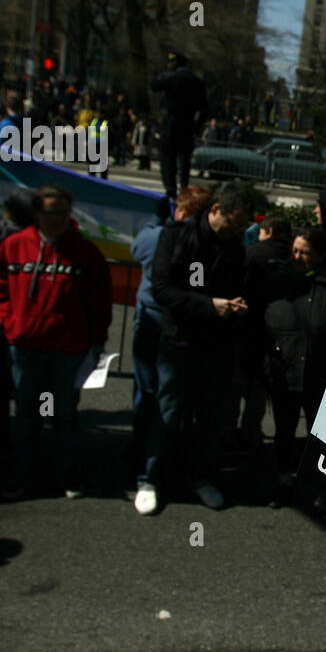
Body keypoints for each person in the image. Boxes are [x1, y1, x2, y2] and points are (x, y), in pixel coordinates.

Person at [0, 184, 113, 498]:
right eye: (47, 211)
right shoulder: (14, 245)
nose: (53, 218)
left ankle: (68, 475)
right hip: (24, 346)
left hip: (67, 351)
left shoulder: (85, 251)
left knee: (64, 417)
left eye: (60, 212)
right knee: (27, 417)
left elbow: (100, 301)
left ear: (69, 214)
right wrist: (8, 322)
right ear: (35, 213)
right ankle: (24, 476)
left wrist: (95, 343)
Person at [148, 181, 253, 510]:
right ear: (216, 210)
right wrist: (210, 305)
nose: (236, 230)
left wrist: (235, 306)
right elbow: (162, 289)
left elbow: (237, 287)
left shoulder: (235, 247)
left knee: (208, 419)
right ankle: (152, 479)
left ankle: (201, 478)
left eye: (242, 225)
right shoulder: (176, 235)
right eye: (233, 221)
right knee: (169, 412)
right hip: (178, 341)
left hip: (216, 345)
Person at [128, 186, 211, 514]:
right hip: (175, 327)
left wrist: (153, 222)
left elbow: (137, 250)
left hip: (148, 319)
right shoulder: (198, 243)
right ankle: (164, 456)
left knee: (146, 389)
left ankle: (140, 451)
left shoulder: (154, 236)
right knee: (170, 395)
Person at [264, 228, 326, 503]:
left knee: (318, 435)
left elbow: (325, 325)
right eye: (294, 251)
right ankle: (282, 481)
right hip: (288, 371)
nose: (298, 257)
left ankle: (317, 488)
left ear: (319, 255)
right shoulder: (282, 281)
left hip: (317, 374)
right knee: (283, 431)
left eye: (304, 252)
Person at [239, 214, 300, 454]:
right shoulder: (295, 257)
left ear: (270, 231)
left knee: (241, 384)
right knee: (260, 390)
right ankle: (251, 433)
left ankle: (233, 436)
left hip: (250, 325)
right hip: (282, 333)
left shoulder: (253, 252)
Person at [151, 52, 209, 200]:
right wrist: (197, 126)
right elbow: (205, 109)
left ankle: (170, 189)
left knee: (168, 157)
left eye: (171, 61)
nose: (168, 64)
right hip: (188, 123)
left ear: (177, 63)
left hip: (172, 122)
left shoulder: (171, 77)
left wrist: (158, 74)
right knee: (184, 159)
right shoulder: (197, 81)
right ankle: (183, 188)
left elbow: (154, 86)